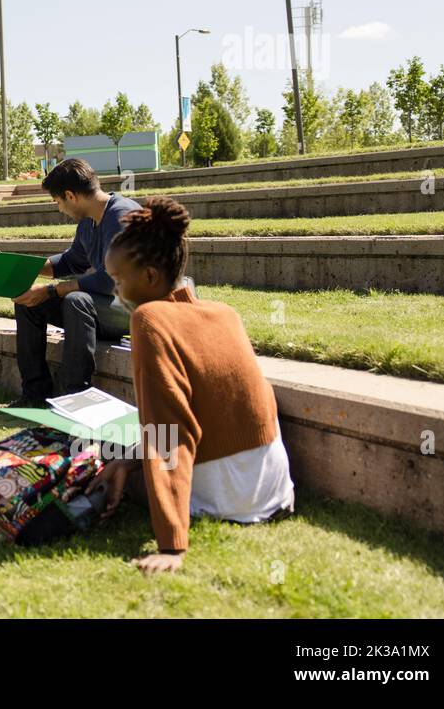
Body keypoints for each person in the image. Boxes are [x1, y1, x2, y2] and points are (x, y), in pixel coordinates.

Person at [86, 196, 295, 575]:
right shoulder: (223, 312)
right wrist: (131, 460)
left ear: (150, 277)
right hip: (274, 489)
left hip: (224, 497)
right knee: (123, 455)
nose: (115, 292)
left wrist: (171, 544)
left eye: (118, 281)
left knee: (91, 453)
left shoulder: (149, 319)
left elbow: (168, 429)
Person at [2, 157, 142, 407]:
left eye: (58, 202)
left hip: (137, 310)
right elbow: (70, 262)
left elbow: (111, 279)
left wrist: (53, 290)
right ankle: (34, 394)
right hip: (107, 306)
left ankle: (76, 398)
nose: (60, 209)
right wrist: (19, 268)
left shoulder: (123, 215)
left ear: (70, 196)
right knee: (28, 301)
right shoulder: (88, 222)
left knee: (77, 301)